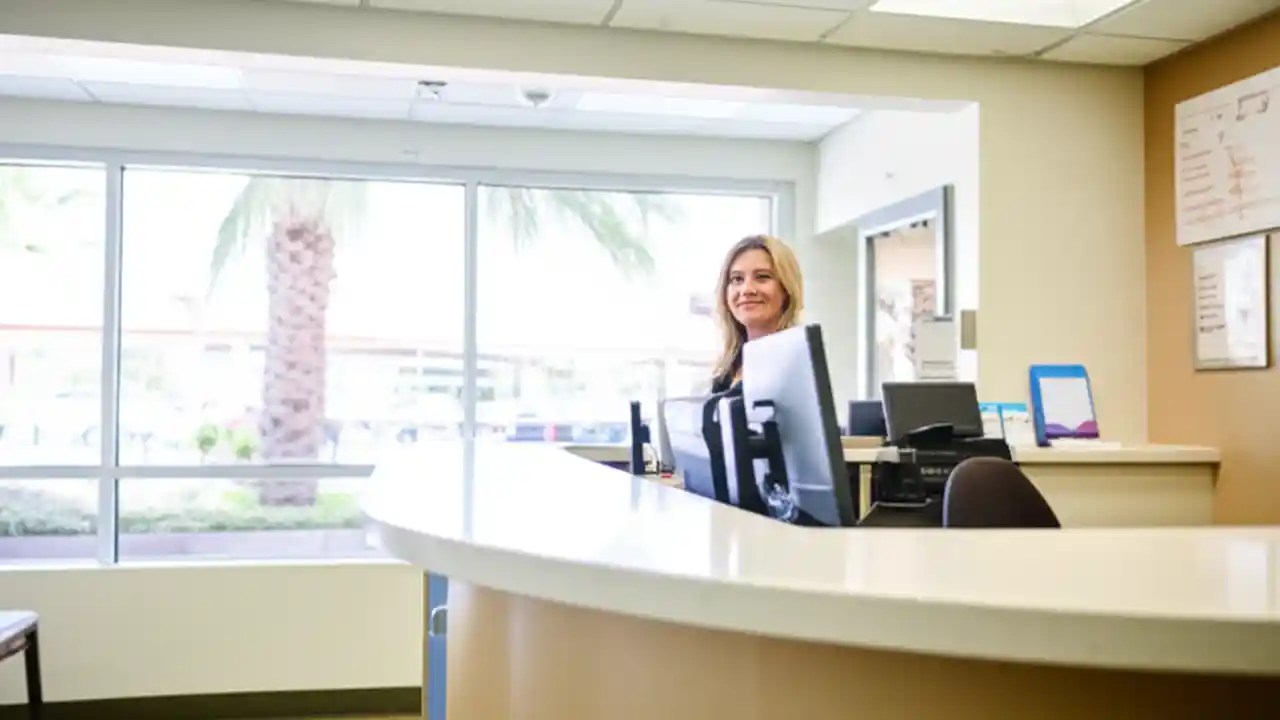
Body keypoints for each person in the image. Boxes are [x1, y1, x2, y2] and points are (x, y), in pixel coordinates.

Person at [709, 234, 805, 394]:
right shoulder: (727, 369)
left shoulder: (799, 363)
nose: (747, 290)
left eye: (762, 277)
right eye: (737, 279)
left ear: (787, 289)